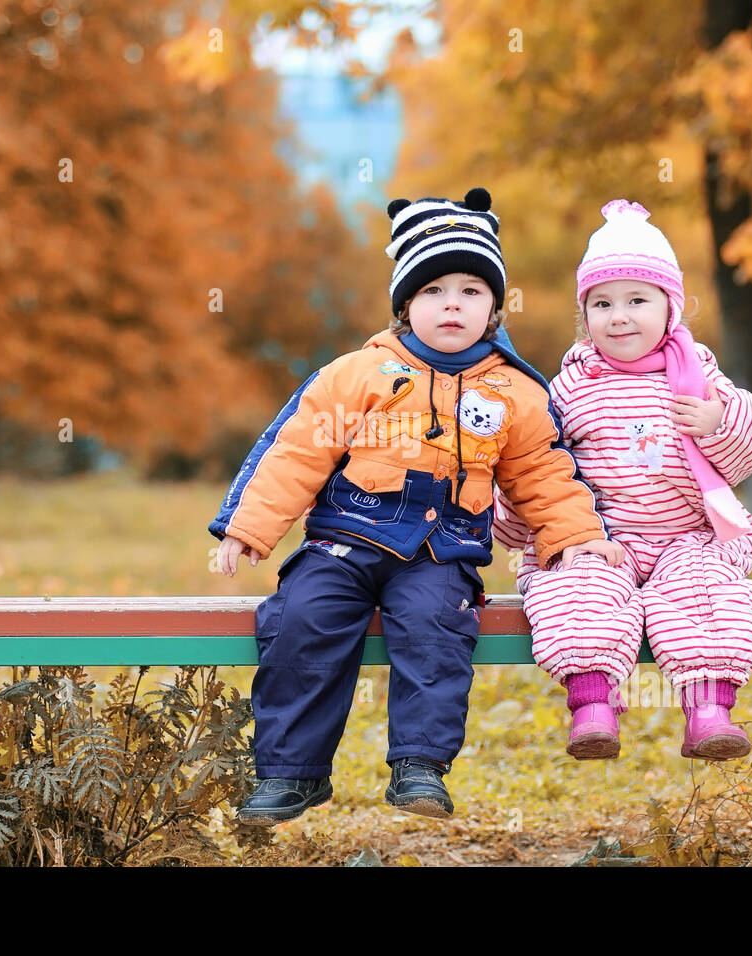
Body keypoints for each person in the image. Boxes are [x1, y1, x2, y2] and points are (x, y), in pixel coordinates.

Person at [210, 188, 619, 825]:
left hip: (439, 552)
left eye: (470, 290)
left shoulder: (513, 390)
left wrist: (573, 532)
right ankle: (291, 772)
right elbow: (294, 451)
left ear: (494, 307)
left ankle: (420, 765)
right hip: (344, 543)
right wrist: (248, 527)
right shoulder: (357, 374)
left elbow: (543, 469)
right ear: (405, 305)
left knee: (437, 627)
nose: (451, 303)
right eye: (432, 291)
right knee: (302, 621)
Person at [494, 199, 752, 762]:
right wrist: (515, 518)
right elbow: (538, 462)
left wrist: (718, 424)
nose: (618, 316)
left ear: (670, 309)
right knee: (574, 588)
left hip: (687, 536)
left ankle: (709, 712)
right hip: (603, 538)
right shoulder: (571, 386)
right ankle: (593, 705)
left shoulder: (698, 375)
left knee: (708, 592)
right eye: (602, 304)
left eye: (636, 300)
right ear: (586, 316)